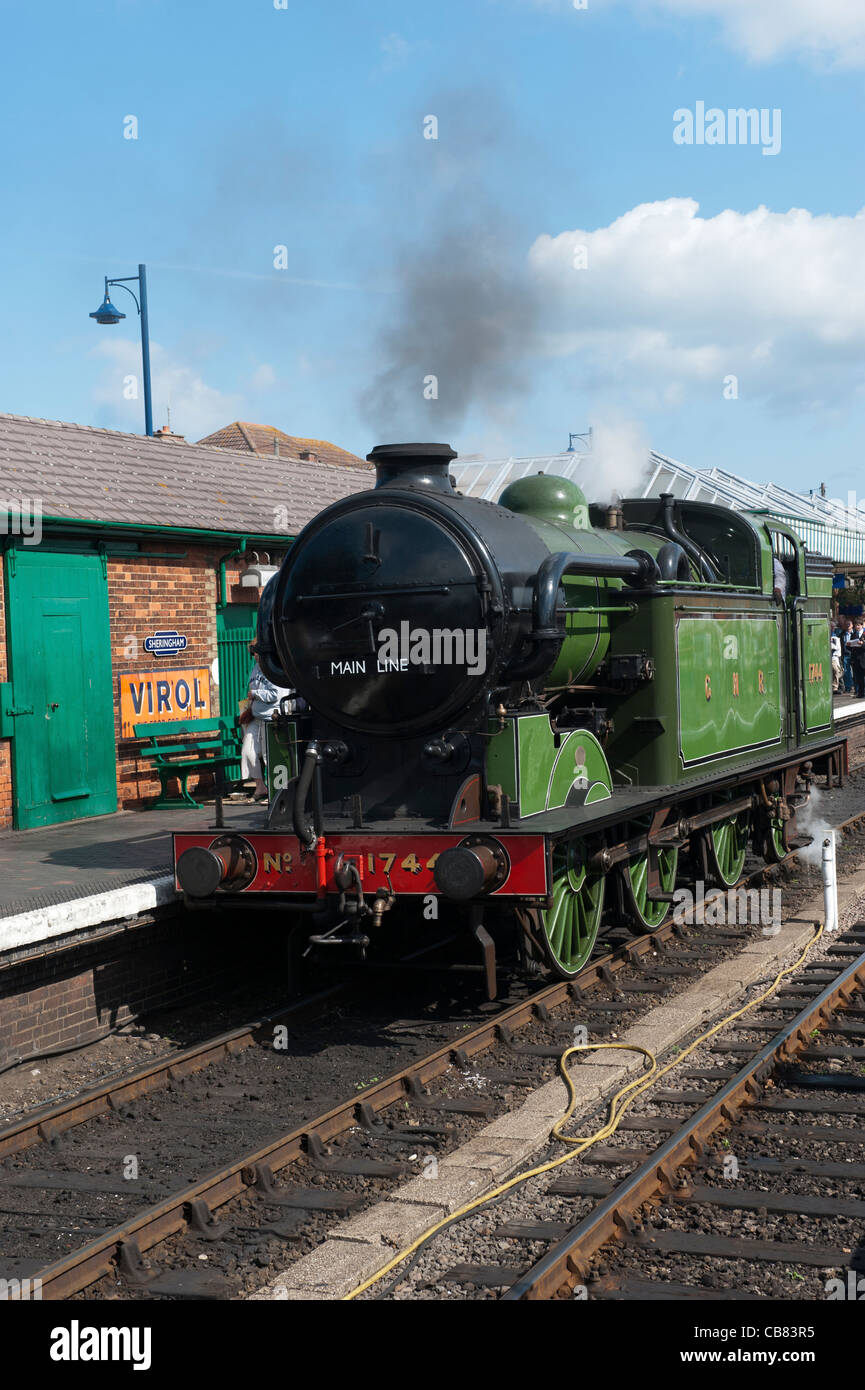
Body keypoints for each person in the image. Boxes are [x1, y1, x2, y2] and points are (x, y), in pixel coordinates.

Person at [239, 652, 297, 800]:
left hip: (272, 718)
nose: (254, 656)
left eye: (256, 653)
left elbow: (276, 694)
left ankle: (275, 792)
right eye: (251, 653)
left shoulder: (275, 668)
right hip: (256, 717)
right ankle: (260, 788)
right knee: (247, 752)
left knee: (269, 756)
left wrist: (255, 694)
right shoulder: (256, 668)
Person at [848, 620, 865, 700]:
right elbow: (851, 647)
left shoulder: (864, 634)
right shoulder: (854, 634)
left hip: (863, 658)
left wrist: (862, 644)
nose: (857, 627)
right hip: (856, 659)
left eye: (858, 625)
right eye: (856, 625)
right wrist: (848, 645)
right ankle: (861, 693)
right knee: (859, 677)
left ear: (862, 625)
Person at [830, 622, 843, 692]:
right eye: (831, 627)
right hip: (831, 657)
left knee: (837, 671)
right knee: (835, 672)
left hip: (835, 656)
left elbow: (835, 647)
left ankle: (837, 687)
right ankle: (835, 687)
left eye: (833, 627)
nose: (832, 628)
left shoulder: (835, 635)